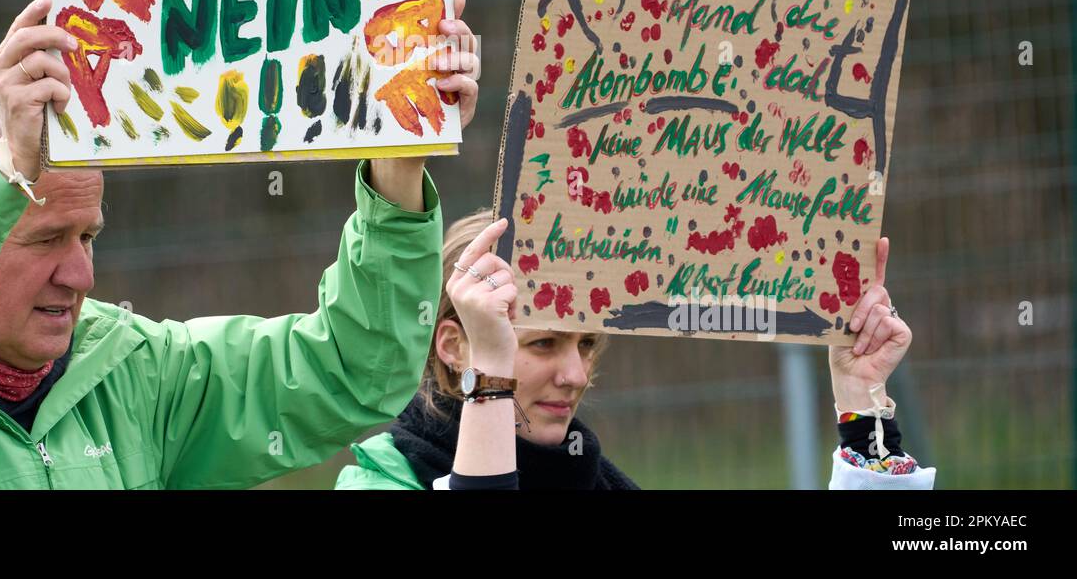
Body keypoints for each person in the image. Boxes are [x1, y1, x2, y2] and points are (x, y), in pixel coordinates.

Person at [0, 0, 480, 489]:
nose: (80, 275)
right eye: (47, 238)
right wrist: (2, 174)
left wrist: (398, 166)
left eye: (88, 236)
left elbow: (354, 371)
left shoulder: (135, 374)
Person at [337, 211, 935, 490]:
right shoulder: (381, 484)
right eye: (542, 342)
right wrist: (490, 376)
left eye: (586, 343)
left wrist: (862, 405)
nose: (575, 374)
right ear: (453, 346)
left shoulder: (597, 483)